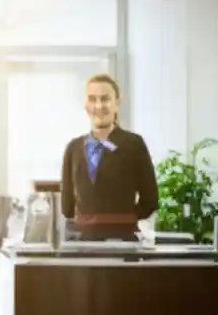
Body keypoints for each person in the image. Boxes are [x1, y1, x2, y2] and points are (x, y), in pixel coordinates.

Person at [60, 74, 158, 241]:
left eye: (105, 99)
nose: (98, 106)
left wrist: (124, 219)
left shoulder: (134, 144)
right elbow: (66, 207)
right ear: (85, 105)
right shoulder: (73, 148)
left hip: (124, 241)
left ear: (117, 104)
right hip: (83, 245)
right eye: (92, 99)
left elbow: (151, 200)